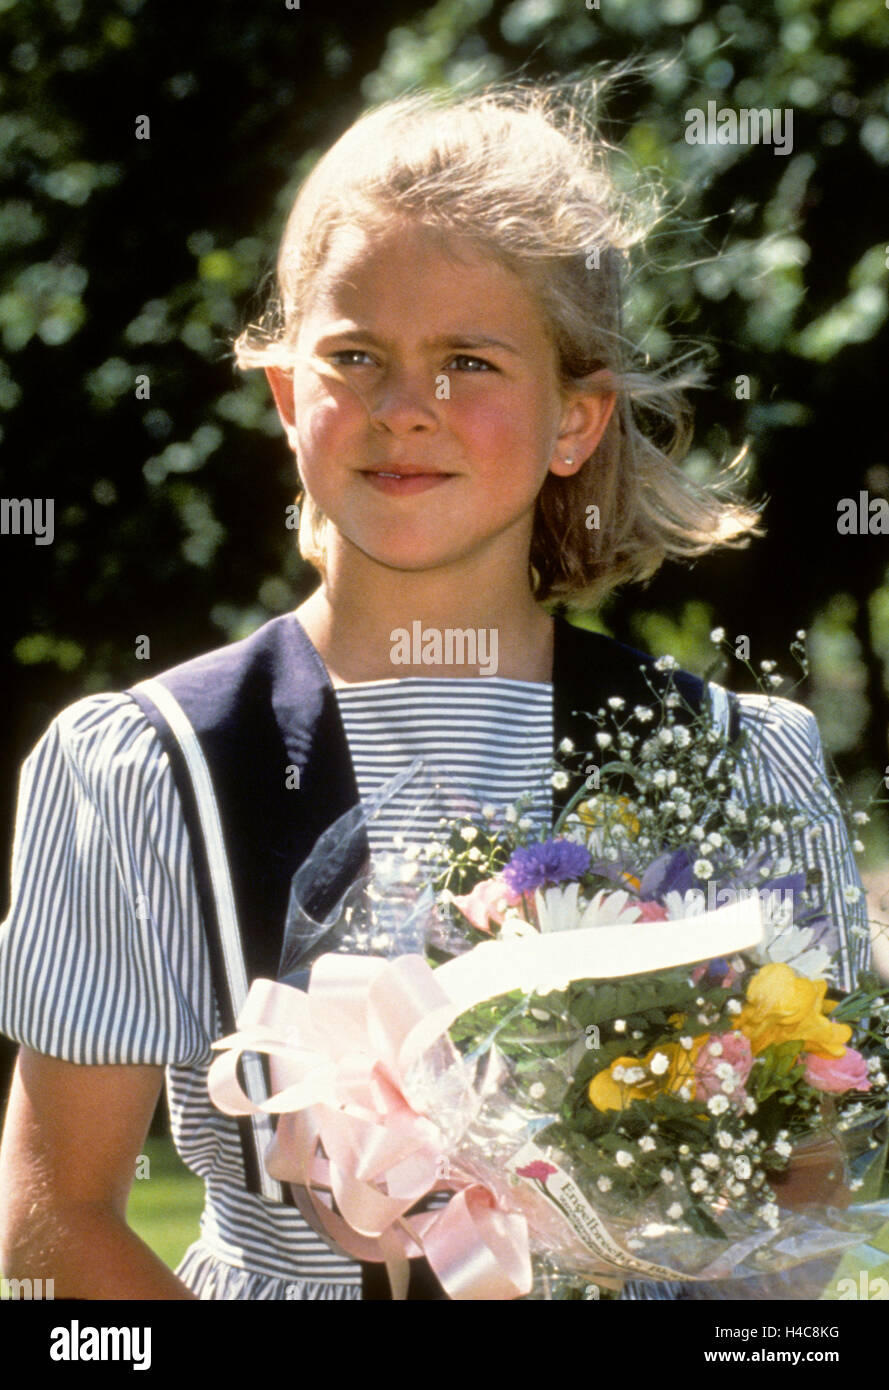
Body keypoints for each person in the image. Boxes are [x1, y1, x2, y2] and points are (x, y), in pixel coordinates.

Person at [0, 84, 871, 1301]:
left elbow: (806, 1187)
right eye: (354, 357)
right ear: (289, 396)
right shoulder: (140, 766)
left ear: (575, 418)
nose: (405, 408)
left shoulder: (733, 756)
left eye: (469, 360)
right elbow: (54, 1227)